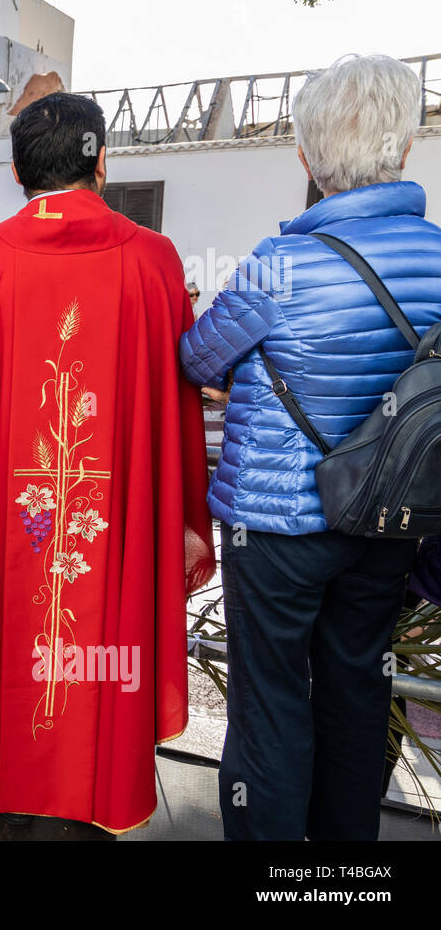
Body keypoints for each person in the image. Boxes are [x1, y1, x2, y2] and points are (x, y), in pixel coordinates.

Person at [0, 92, 216, 834]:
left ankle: (1, 779)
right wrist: (180, 517)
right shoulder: (154, 262)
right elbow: (176, 418)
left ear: (17, 171)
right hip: (116, 527)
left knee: (11, 623)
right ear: (102, 162)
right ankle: (101, 787)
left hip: (1, 525)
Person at [180, 53, 441, 841]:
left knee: (269, 704)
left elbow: (197, 359)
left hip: (278, 523)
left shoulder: (277, 267)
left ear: (306, 156)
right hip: (391, 518)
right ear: (403, 149)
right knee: (357, 690)